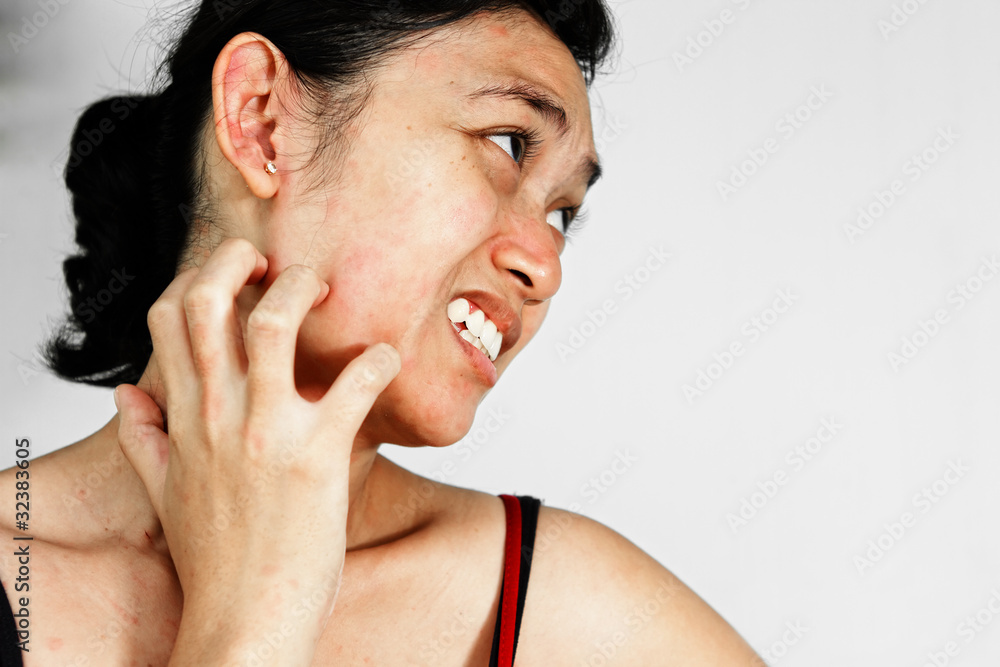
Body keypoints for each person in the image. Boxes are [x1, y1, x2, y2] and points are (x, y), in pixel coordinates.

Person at [0, 1, 761, 664]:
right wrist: (252, 621)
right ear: (262, 120)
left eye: (562, 214)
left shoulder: (574, 612)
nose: (546, 267)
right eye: (507, 143)